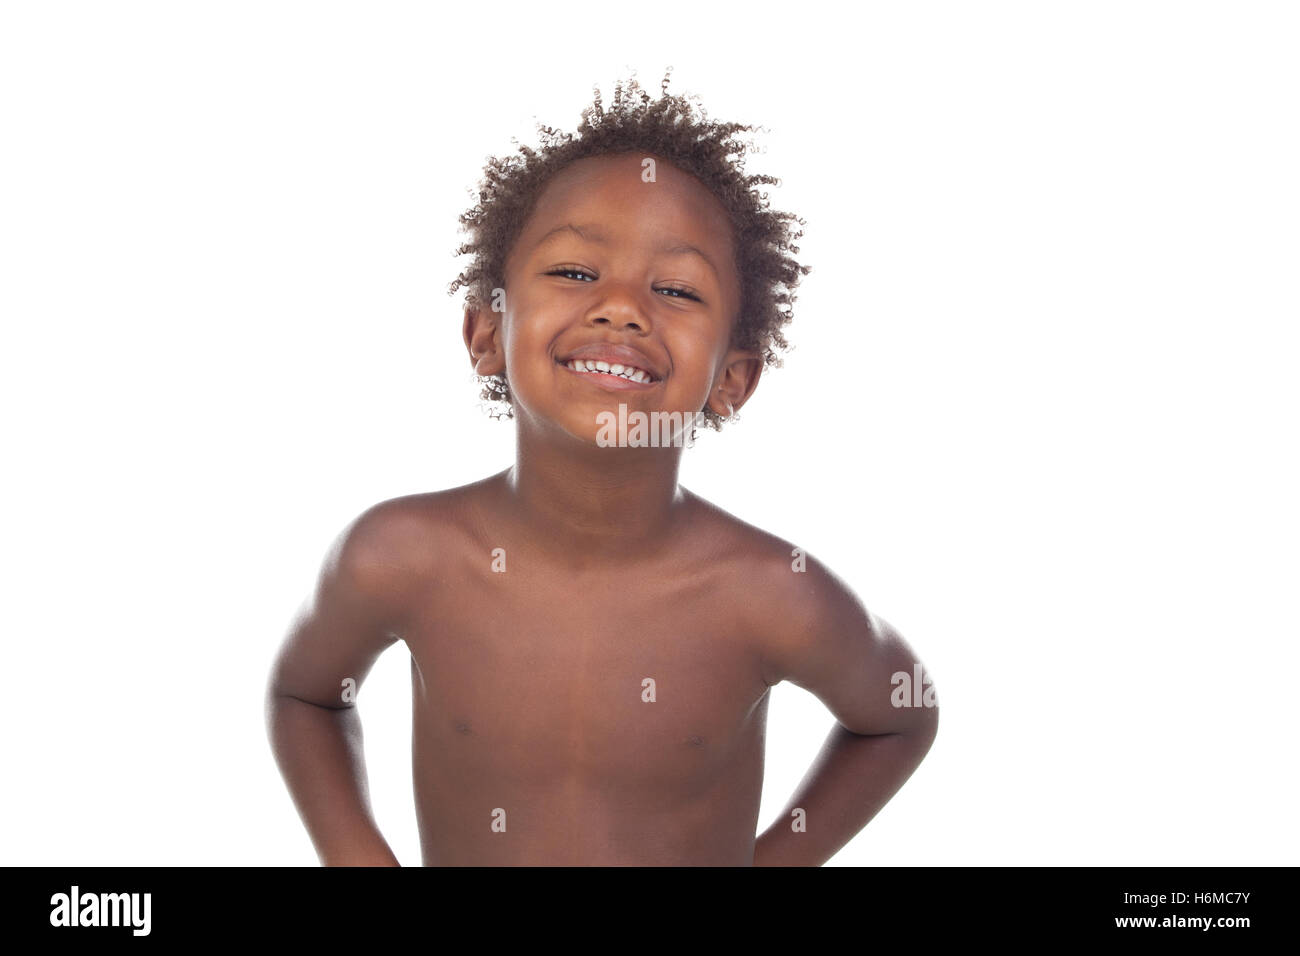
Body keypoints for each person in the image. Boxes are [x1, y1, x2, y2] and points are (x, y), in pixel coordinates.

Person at [265, 70, 939, 866]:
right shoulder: (402, 555)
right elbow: (305, 694)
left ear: (733, 378)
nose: (621, 307)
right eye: (575, 273)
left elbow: (902, 713)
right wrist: (355, 855)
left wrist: (778, 858)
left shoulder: (770, 592)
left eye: (676, 289)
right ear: (486, 333)